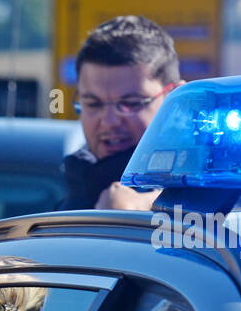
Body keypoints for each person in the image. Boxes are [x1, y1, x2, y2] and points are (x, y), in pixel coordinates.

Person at [60, 16, 183, 211]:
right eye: (93, 103)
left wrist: (150, 207)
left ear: (176, 103)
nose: (109, 122)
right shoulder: (69, 198)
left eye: (131, 103)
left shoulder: (218, 197)